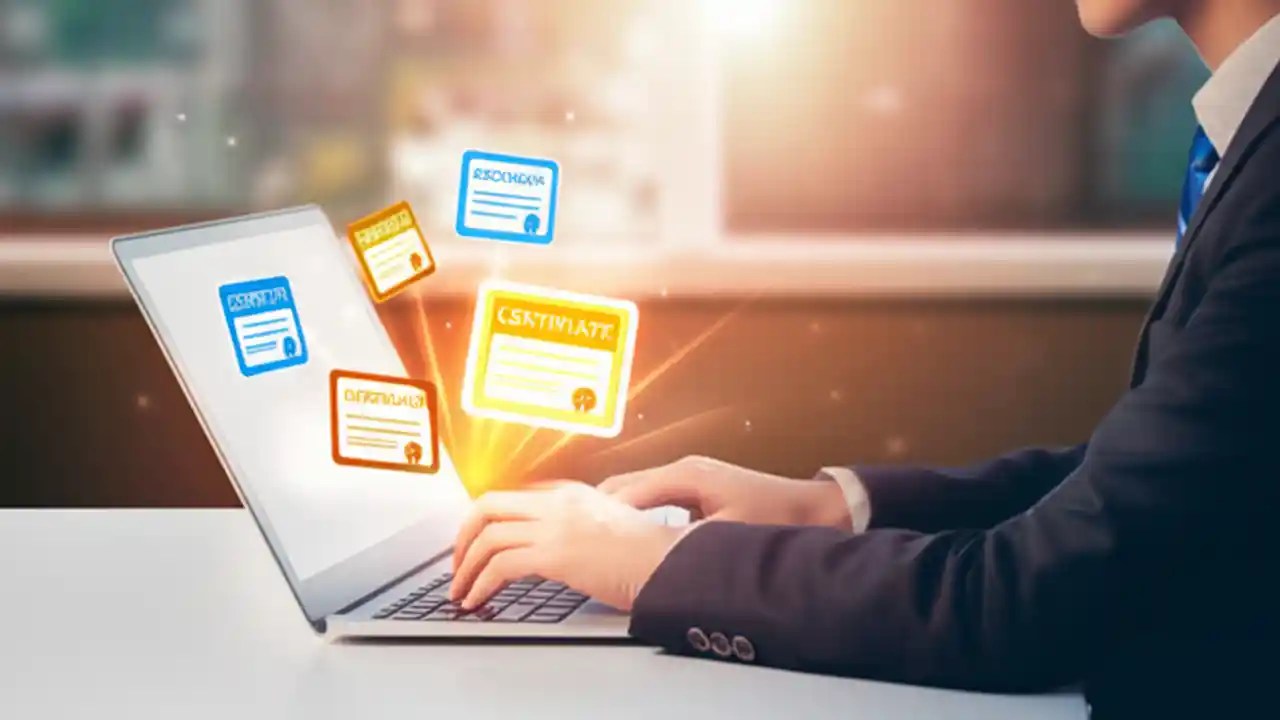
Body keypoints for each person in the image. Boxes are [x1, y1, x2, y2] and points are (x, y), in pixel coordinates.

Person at [449, 2, 1280, 716]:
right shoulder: (1250, 142)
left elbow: (1033, 597)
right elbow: (1141, 492)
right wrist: (832, 507)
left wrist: (655, 564)